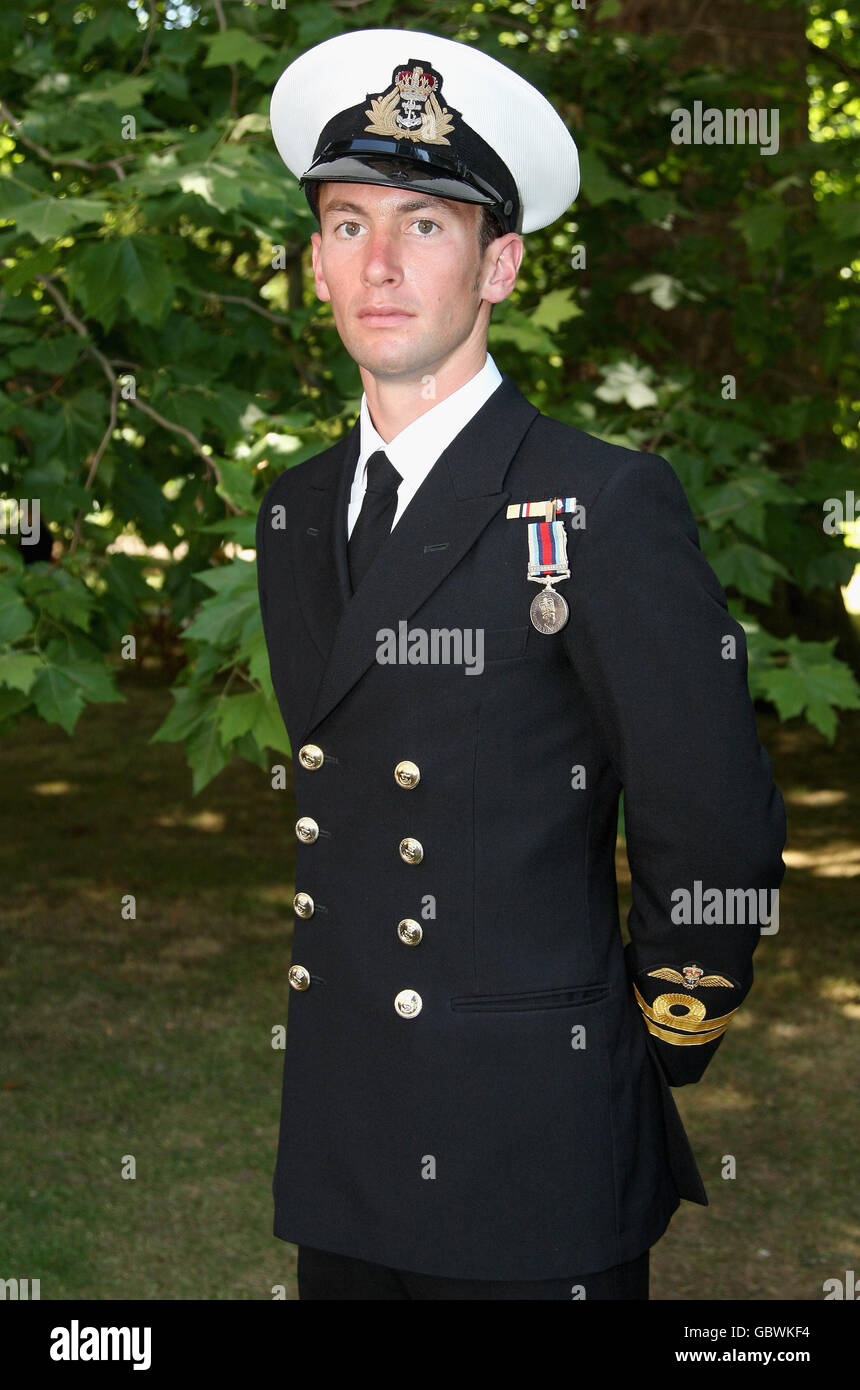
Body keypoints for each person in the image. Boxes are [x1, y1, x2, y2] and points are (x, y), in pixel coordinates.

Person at [255, 26, 787, 1301]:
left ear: (498, 266)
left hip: (527, 1129)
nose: (377, 263)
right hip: (348, 1118)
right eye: (344, 223)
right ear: (315, 258)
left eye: (423, 225)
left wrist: (655, 1028)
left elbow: (703, 806)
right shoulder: (294, 506)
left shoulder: (598, 498)